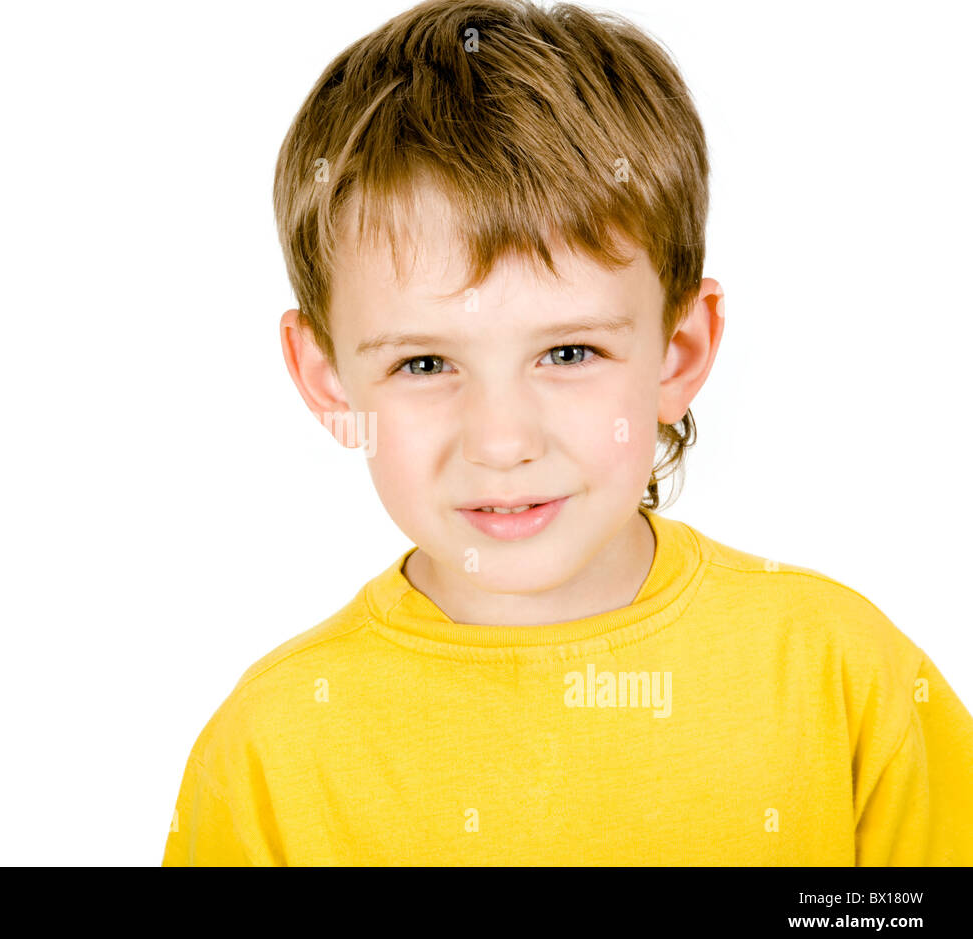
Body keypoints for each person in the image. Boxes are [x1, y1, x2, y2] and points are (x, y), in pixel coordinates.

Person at [162, 0, 973, 865]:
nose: (501, 440)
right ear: (326, 378)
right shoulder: (271, 755)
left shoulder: (844, 679)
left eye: (569, 351)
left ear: (678, 351)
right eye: (426, 365)